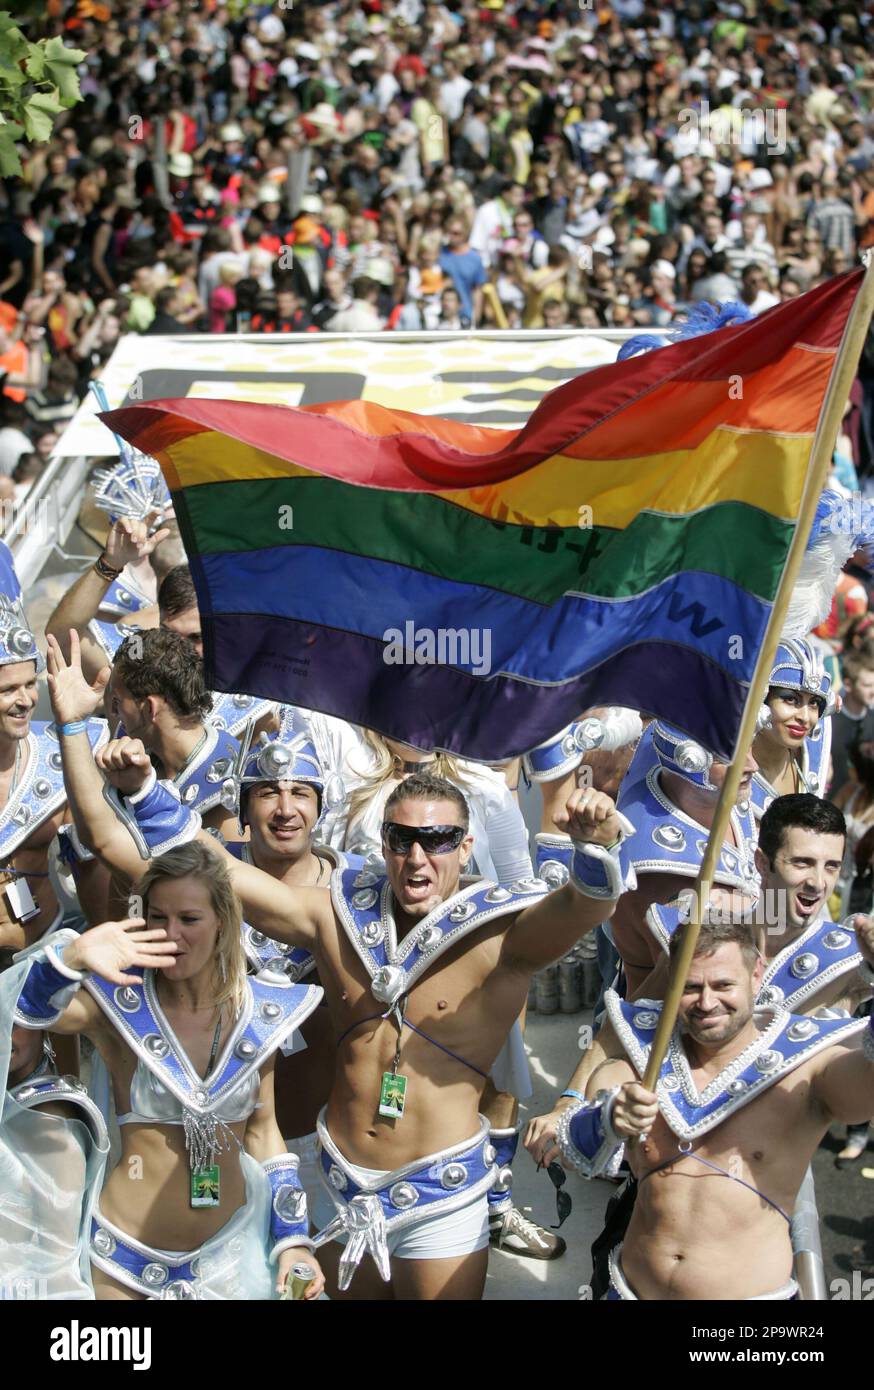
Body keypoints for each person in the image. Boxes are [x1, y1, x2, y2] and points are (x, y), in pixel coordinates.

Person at [46, 631, 633, 1300]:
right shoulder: (337, 912)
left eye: (438, 841)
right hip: (328, 1179)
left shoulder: (498, 931)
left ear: (465, 844)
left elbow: (582, 909)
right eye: (402, 839)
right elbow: (212, 870)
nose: (418, 857)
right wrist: (139, 783)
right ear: (380, 840)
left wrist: (596, 848)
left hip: (438, 1194)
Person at [9, 842, 325, 1300]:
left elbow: (263, 1133)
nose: (171, 934)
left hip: (232, 1264)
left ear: (222, 921)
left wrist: (292, 1241)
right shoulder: (117, 1004)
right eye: (158, 917)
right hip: (124, 1264)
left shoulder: (263, 1011)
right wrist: (71, 958)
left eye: (189, 919)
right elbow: (16, 1021)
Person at [538, 919, 874, 1300]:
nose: (707, 1002)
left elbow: (867, 1089)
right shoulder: (641, 1060)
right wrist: (607, 1119)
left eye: (723, 985)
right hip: (629, 1290)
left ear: (756, 974)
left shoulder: (806, 1068)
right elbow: (576, 1151)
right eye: (692, 987)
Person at [609, 720, 759, 998]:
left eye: (750, 745)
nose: (752, 766)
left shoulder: (721, 787)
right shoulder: (656, 873)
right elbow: (695, 999)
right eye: (728, 755)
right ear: (686, 758)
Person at [0, 970, 110, 1300]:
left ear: (42, 1022)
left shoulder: (52, 1119)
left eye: (14, 1020)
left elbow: (55, 1261)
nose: (4, 1033)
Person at [750, 638, 833, 819]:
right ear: (760, 700)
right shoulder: (723, 771)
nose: (804, 717)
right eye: (790, 699)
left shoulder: (816, 763)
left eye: (814, 703)